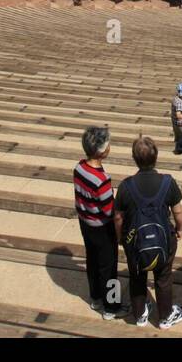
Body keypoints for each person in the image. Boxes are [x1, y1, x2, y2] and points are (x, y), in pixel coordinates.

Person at [112, 136, 182, 329]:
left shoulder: (125, 186)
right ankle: (165, 317)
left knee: (137, 276)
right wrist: (179, 229)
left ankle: (140, 316)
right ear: (156, 157)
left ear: (134, 158)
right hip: (164, 240)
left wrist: (120, 237)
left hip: (135, 240)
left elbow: (118, 218)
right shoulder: (168, 182)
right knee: (163, 277)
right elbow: (178, 211)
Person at [73, 126, 120, 319]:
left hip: (85, 223)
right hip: (102, 227)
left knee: (92, 260)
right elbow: (110, 211)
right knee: (109, 267)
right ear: (103, 151)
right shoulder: (102, 179)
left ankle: (96, 297)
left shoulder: (79, 167)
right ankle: (112, 306)